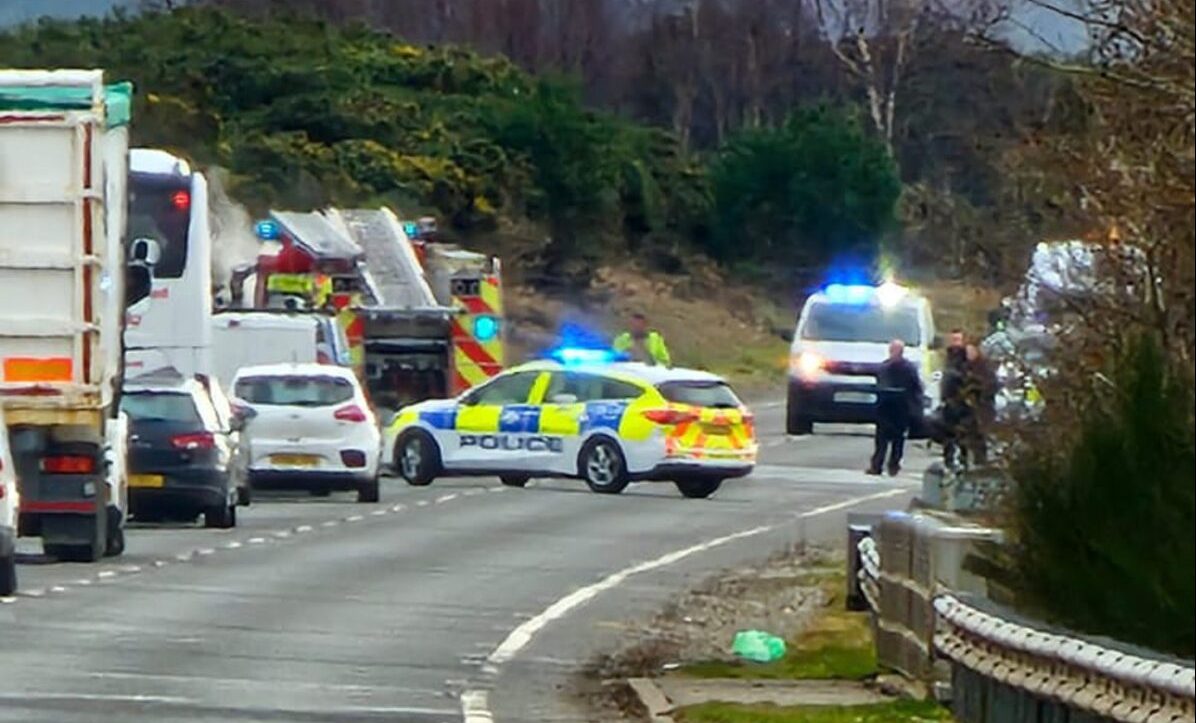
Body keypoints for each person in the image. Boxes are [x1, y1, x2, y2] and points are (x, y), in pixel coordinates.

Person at [869, 340, 923, 476]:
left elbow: (915, 388)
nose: (893, 352)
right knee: (885, 439)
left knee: (895, 439)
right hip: (887, 408)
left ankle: (889, 465)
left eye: (895, 350)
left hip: (899, 408)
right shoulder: (887, 367)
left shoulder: (900, 368)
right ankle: (880, 465)